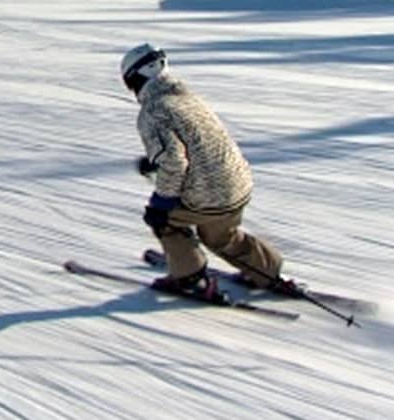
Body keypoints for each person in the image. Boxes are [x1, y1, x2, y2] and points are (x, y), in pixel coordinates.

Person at [121, 43, 287, 298]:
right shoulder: (188, 98)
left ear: (135, 79)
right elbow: (197, 144)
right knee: (220, 235)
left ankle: (190, 276)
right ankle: (265, 270)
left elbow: (175, 162)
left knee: (164, 220)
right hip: (238, 184)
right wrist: (155, 161)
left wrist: (162, 201)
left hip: (208, 194)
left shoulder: (152, 112)